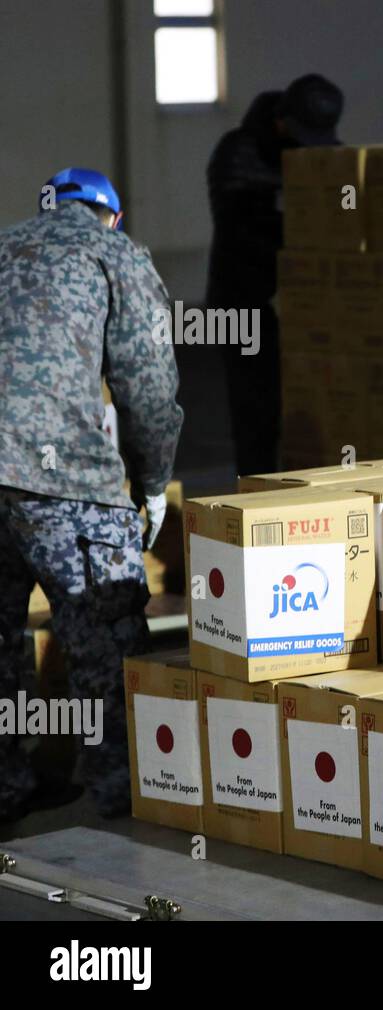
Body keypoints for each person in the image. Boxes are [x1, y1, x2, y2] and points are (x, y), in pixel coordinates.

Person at [0, 169, 183, 821]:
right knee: (105, 633)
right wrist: (153, 481)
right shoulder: (114, 254)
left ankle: (7, 782)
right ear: (112, 215)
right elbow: (149, 386)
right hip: (63, 478)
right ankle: (123, 790)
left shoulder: (5, 245)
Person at [206, 75, 344, 476]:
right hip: (243, 305)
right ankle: (256, 496)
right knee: (255, 413)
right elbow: (241, 227)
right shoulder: (238, 151)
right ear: (281, 118)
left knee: (306, 408)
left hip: (298, 304)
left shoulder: (316, 150)